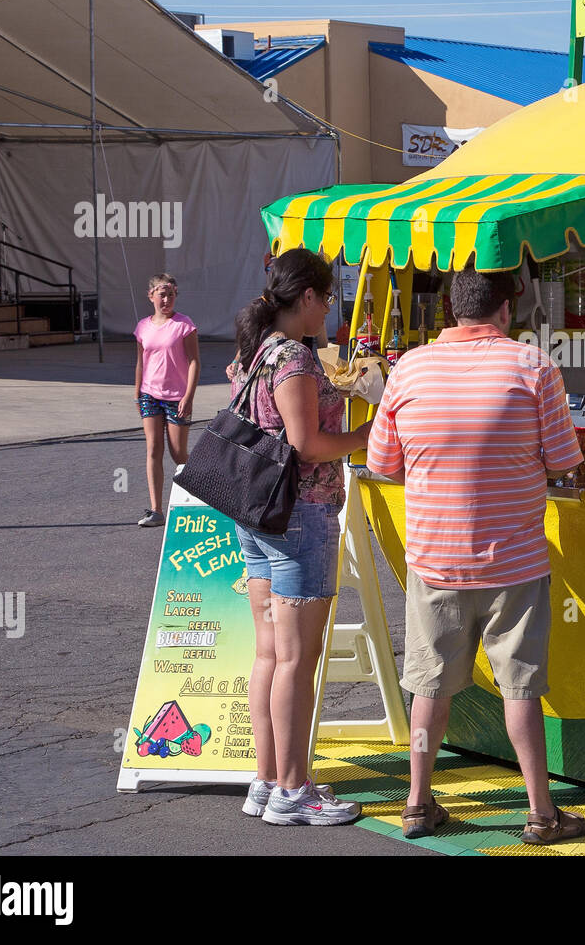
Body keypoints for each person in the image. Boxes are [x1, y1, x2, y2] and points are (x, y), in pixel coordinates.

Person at [364, 265, 585, 845]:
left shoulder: (409, 369)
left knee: (430, 685)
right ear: (505, 311)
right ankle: (541, 813)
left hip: (435, 560)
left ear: (450, 312)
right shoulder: (533, 367)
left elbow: (384, 466)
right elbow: (566, 463)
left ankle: (417, 802)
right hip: (513, 563)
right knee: (521, 688)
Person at [230, 248, 373, 825]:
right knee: (297, 659)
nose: (330, 309)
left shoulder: (255, 352)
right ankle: (293, 790)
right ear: (307, 297)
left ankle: (266, 781)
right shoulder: (291, 358)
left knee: (270, 654)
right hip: (300, 515)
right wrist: (364, 433)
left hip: (258, 514)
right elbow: (306, 445)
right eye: (328, 297)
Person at [133, 273, 200, 527]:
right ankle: (156, 510)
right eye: (162, 294)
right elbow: (141, 360)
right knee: (153, 448)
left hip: (177, 397)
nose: (166, 299)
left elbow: (194, 361)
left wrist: (189, 395)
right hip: (150, 395)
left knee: (178, 452)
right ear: (151, 296)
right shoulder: (142, 327)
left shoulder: (184, 325)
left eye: (171, 294)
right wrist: (138, 390)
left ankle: (200, 496)